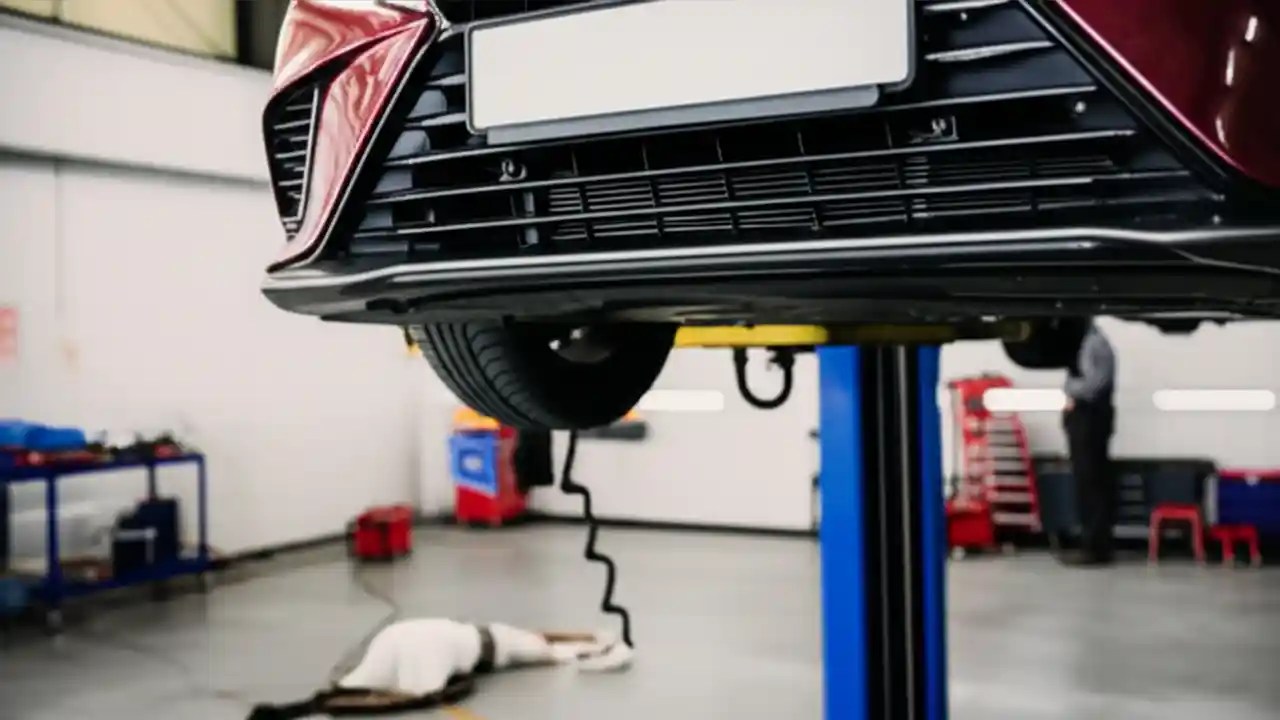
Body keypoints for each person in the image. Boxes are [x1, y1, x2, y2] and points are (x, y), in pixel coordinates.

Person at [248, 619, 629, 719]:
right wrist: (591, 644)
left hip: (402, 634)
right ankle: (307, 711)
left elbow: (544, 638)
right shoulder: (508, 644)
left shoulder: (493, 635)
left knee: (355, 684)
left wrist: (590, 638)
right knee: (415, 695)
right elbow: (546, 645)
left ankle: (296, 711)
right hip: (435, 644)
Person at [1060, 317, 1117, 566]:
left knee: (1092, 482)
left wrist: (1070, 388)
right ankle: (1089, 544)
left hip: (1092, 417)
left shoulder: (1096, 344)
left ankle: (1096, 548)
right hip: (1085, 417)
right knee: (1085, 482)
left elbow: (1095, 383)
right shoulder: (1086, 342)